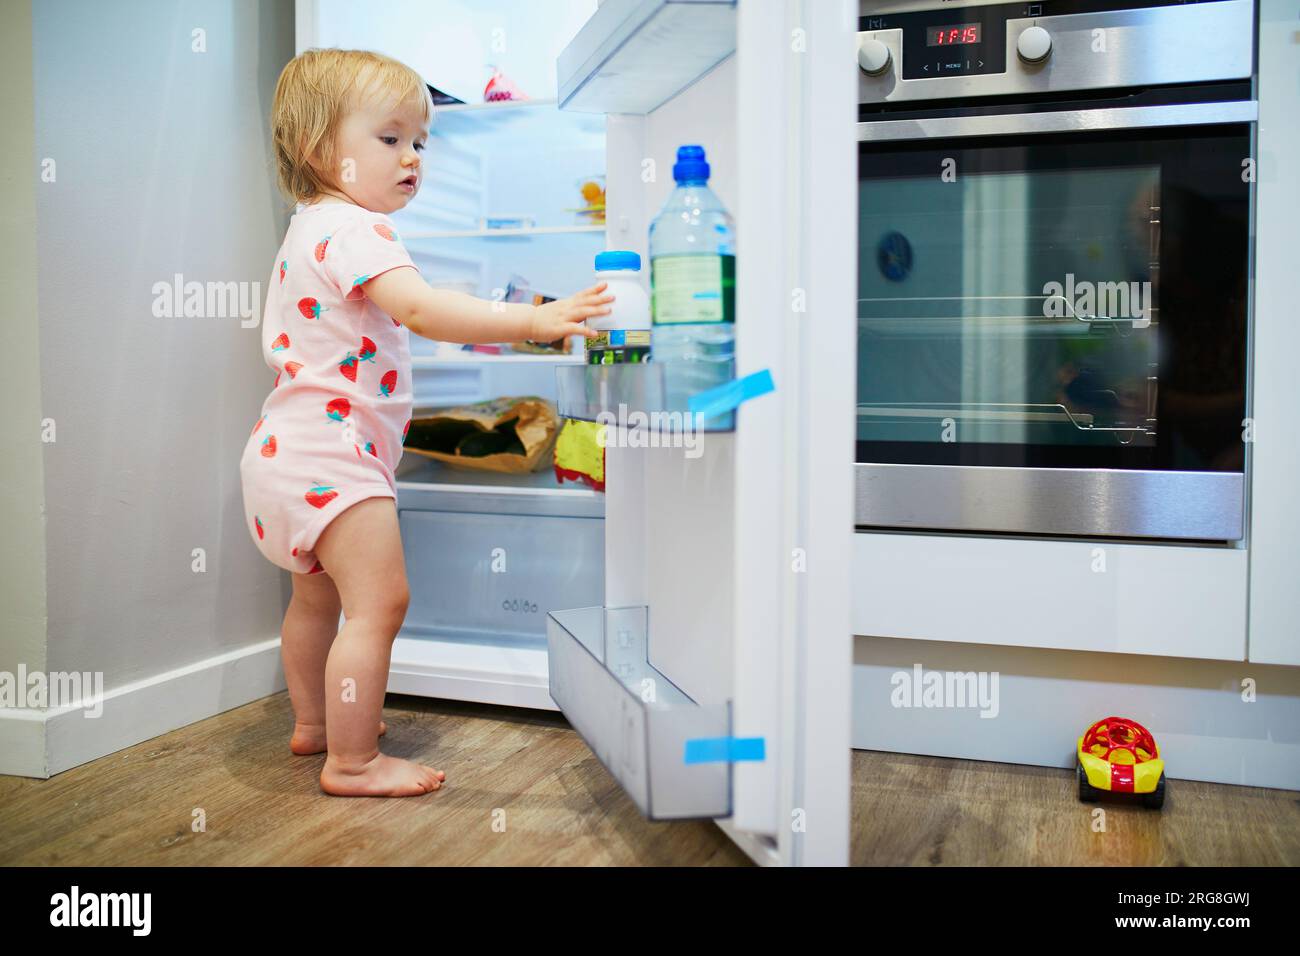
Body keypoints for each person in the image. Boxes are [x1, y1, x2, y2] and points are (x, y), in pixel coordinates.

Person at [239, 49, 610, 797]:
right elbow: (423, 308)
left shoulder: (309, 226)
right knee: (381, 604)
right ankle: (352, 762)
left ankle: (317, 723)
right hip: (335, 459)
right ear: (321, 151)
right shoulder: (360, 231)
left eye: (421, 141)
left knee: (316, 599)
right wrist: (537, 321)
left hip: (282, 455)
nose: (412, 157)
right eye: (389, 139)